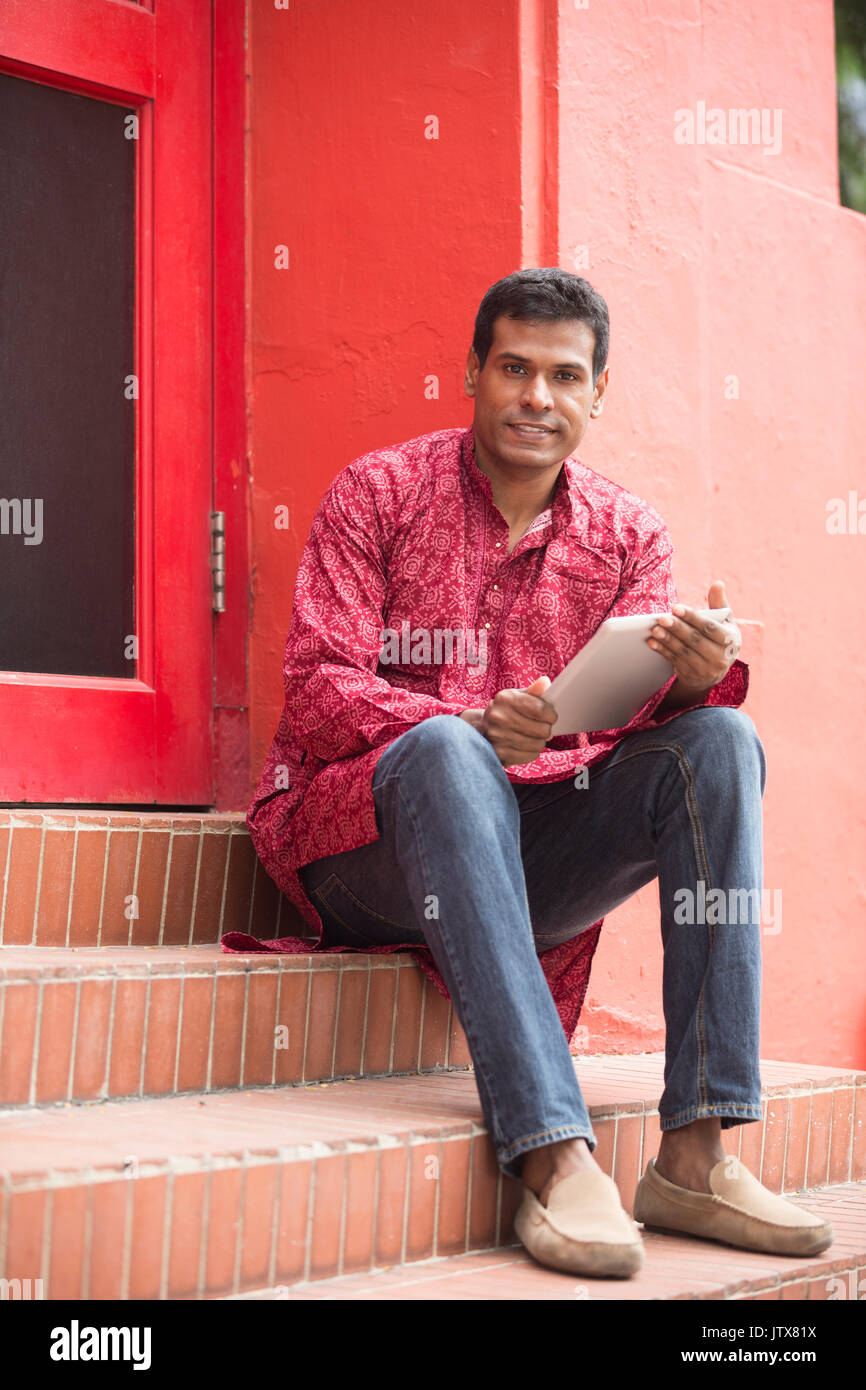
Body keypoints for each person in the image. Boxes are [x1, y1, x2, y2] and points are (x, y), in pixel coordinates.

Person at [245, 267, 833, 1278]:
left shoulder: (627, 533)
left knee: (721, 743)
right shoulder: (377, 492)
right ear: (472, 372)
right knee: (443, 750)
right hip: (361, 853)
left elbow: (638, 721)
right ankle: (552, 1152)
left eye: (564, 377)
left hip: (532, 853)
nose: (535, 397)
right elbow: (313, 688)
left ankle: (694, 1153)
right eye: (513, 368)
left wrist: (693, 682)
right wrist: (463, 722)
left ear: (597, 394)